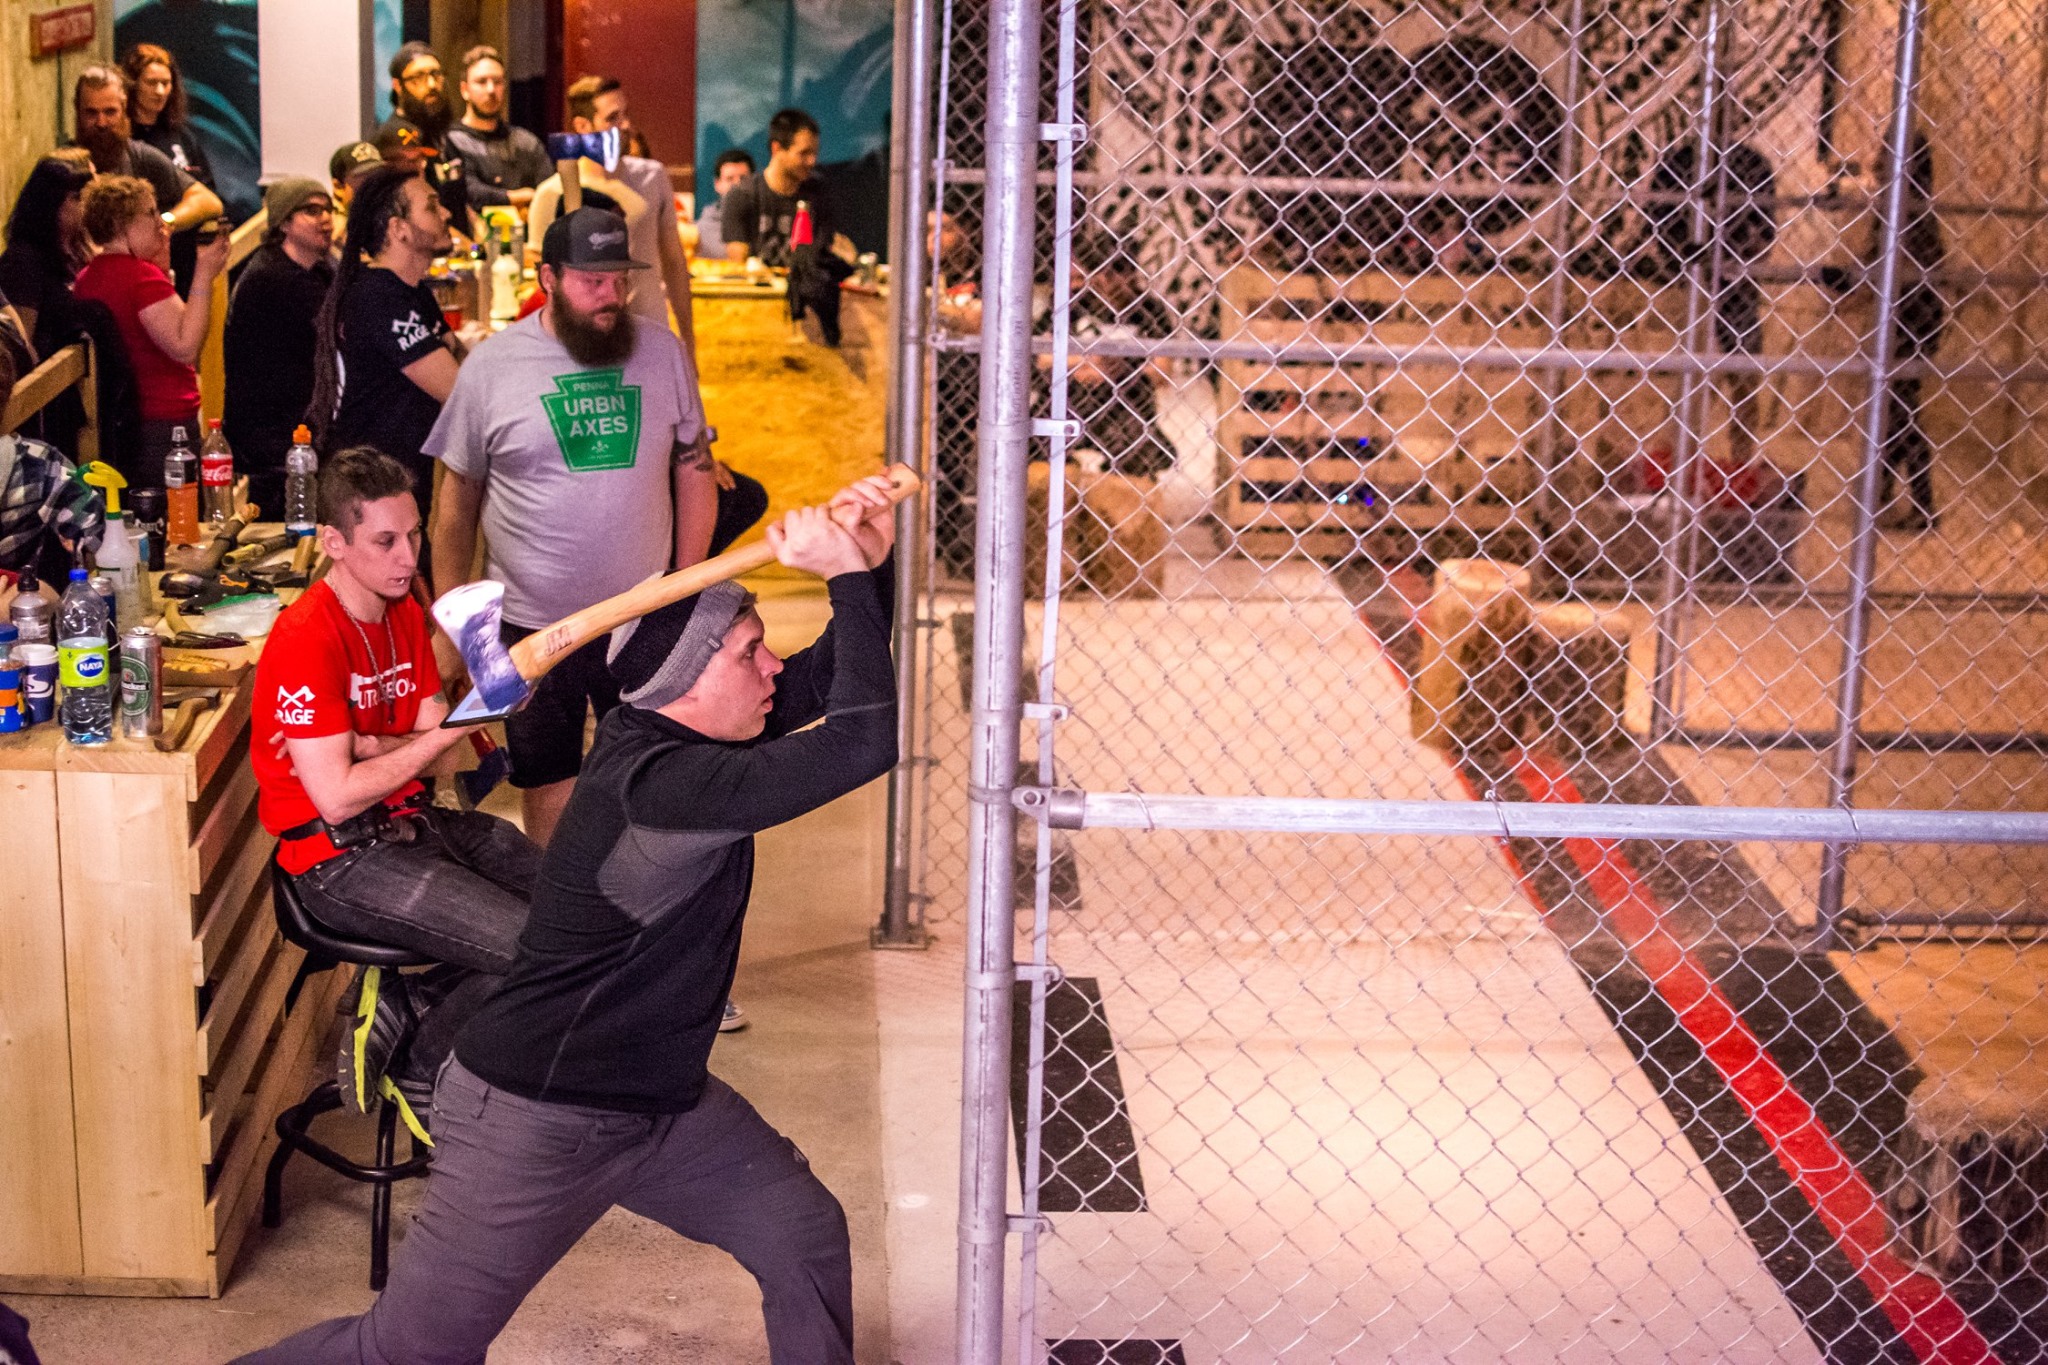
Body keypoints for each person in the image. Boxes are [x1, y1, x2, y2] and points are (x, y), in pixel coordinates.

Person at [233, 476, 900, 1365]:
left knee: (800, 1228)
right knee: (407, 1351)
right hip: (536, 1115)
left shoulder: (688, 733)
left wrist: (870, 567)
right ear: (688, 686)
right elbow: (864, 739)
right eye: (751, 652)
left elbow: (826, 680)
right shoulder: (664, 789)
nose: (773, 666)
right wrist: (845, 579)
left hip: (656, 1104)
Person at [427, 207, 748, 852]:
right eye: (590, 281)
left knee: (649, 775)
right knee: (548, 781)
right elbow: (454, 510)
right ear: (547, 277)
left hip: (642, 612)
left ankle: (634, 920)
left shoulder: (662, 352)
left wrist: (680, 588)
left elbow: (695, 471)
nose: (610, 298)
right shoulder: (492, 368)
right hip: (529, 622)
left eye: (618, 281)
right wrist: (455, 628)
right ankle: (561, 921)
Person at [250, 446, 538, 1118]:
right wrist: (440, 733)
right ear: (333, 542)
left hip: (410, 823)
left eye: (413, 535)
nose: (409, 557)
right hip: (335, 857)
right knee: (534, 952)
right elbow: (338, 794)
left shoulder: (403, 607)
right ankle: (420, 1066)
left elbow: (447, 757)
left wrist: (382, 746)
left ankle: (413, 1001)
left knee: (577, 914)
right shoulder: (305, 639)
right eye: (385, 541)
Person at [309, 163, 463, 530]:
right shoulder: (378, 296)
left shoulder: (411, 292)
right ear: (399, 229)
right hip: (367, 495)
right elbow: (459, 388)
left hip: (396, 482)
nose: (446, 213)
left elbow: (456, 357)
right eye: (431, 206)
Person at [72, 175, 228, 490]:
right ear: (121, 223)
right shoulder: (140, 279)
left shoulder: (87, 276)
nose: (160, 222)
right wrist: (204, 273)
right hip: (164, 420)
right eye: (151, 213)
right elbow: (185, 346)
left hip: (123, 421)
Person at [527, 76, 696, 348]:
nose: (626, 125)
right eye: (613, 118)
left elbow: (674, 263)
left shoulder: (652, 177)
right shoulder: (552, 194)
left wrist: (688, 342)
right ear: (583, 127)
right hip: (583, 345)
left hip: (649, 337)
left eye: (626, 115)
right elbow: (541, 285)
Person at [223, 178, 335, 516]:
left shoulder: (314, 270)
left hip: (294, 431)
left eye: (329, 209)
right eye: (312, 211)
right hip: (273, 439)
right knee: (283, 531)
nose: (325, 219)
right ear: (284, 221)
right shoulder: (271, 278)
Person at [71, 65, 222, 297]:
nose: (101, 122)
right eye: (91, 113)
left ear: (124, 110)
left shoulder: (139, 156)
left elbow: (208, 201)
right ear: (78, 112)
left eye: (110, 112)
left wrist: (162, 224)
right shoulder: (66, 166)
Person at [720, 107, 852, 344]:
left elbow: (826, 253)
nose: (812, 161)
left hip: (811, 318)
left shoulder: (819, 195)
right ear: (776, 148)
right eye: (804, 153)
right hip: (758, 316)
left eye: (815, 153)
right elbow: (738, 266)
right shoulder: (742, 196)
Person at [0, 153, 94, 362]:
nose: (84, 205)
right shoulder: (23, 261)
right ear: (51, 204)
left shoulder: (78, 248)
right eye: (76, 198)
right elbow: (21, 341)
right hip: (51, 378)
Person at [444, 45, 550, 213]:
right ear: (465, 90)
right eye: (481, 81)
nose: (491, 89)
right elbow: (466, 192)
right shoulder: (450, 141)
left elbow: (549, 193)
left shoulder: (527, 142)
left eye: (497, 81)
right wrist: (515, 198)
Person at [377, 42, 470, 226]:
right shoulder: (397, 138)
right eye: (417, 78)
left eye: (436, 74)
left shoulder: (440, 134)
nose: (431, 84)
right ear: (397, 85)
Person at [123, 44, 215, 190]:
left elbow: (209, 190)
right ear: (133, 85)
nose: (160, 91)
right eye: (151, 83)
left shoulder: (183, 137)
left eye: (165, 83)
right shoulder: (124, 138)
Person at [693, 148, 754, 260]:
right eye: (730, 179)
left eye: (743, 179)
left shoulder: (763, 223)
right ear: (717, 184)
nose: (737, 185)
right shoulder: (699, 232)